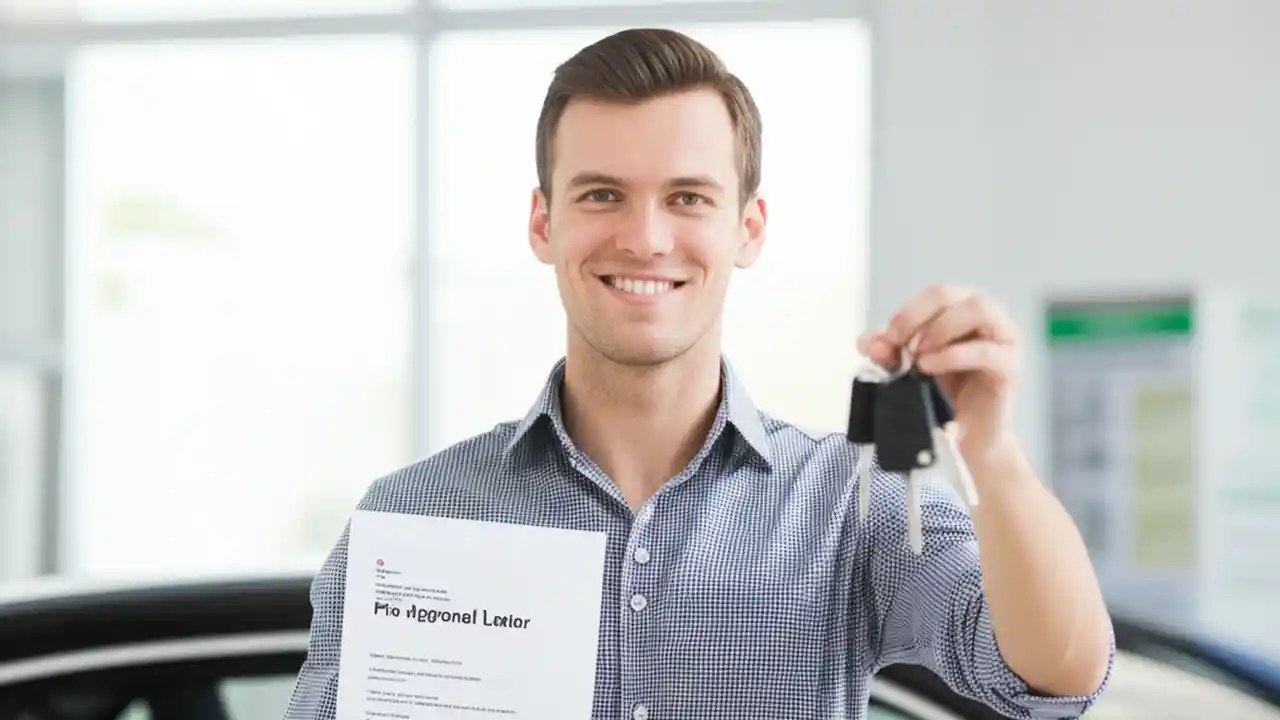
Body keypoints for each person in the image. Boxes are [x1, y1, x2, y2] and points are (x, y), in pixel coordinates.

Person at [284, 28, 1114, 720]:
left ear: (748, 228)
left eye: (687, 198)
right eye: (603, 194)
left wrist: (993, 454)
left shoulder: (844, 506)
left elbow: (1052, 678)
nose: (645, 238)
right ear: (544, 223)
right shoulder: (412, 520)